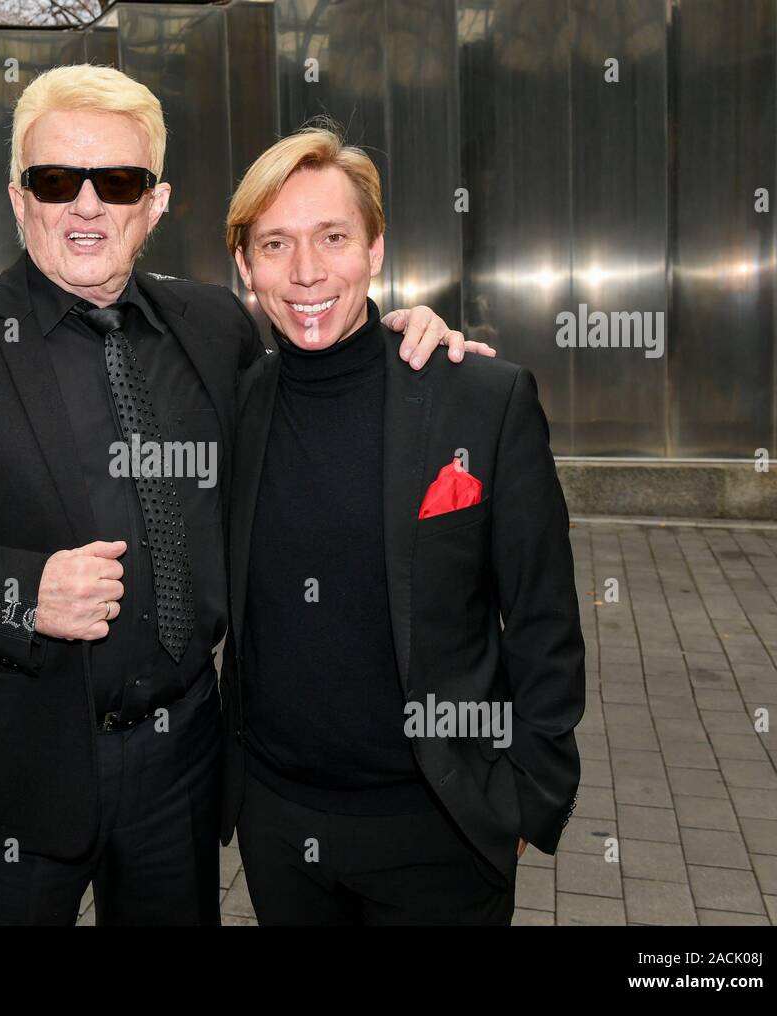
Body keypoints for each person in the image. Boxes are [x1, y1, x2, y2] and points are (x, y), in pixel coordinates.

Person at [0, 65, 470, 925]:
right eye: (57, 181)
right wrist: (18, 594)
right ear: (20, 199)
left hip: (184, 765)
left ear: (154, 203)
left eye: (116, 181)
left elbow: (311, 398)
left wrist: (400, 337)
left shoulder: (215, 326)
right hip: (13, 776)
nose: (87, 206)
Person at [220, 124, 585, 925]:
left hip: (442, 830)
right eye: (276, 244)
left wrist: (529, 794)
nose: (307, 271)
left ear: (375, 250)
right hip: (280, 829)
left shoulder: (480, 400)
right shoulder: (237, 406)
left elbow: (542, 616)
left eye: (334, 238)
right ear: (245, 267)